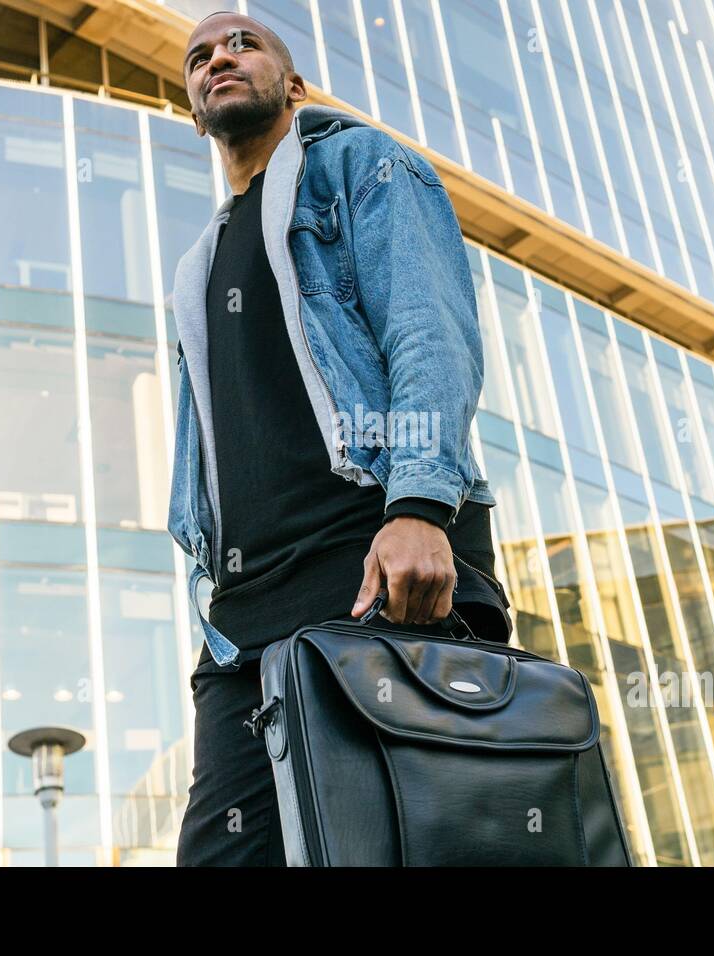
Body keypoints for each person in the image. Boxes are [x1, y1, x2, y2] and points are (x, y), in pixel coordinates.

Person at [168, 10, 512, 867]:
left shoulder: (363, 165)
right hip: (244, 620)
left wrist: (422, 508)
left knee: (411, 845)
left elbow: (428, 333)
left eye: (244, 44)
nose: (220, 58)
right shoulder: (198, 266)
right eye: (200, 56)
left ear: (294, 86)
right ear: (192, 109)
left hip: (376, 570)